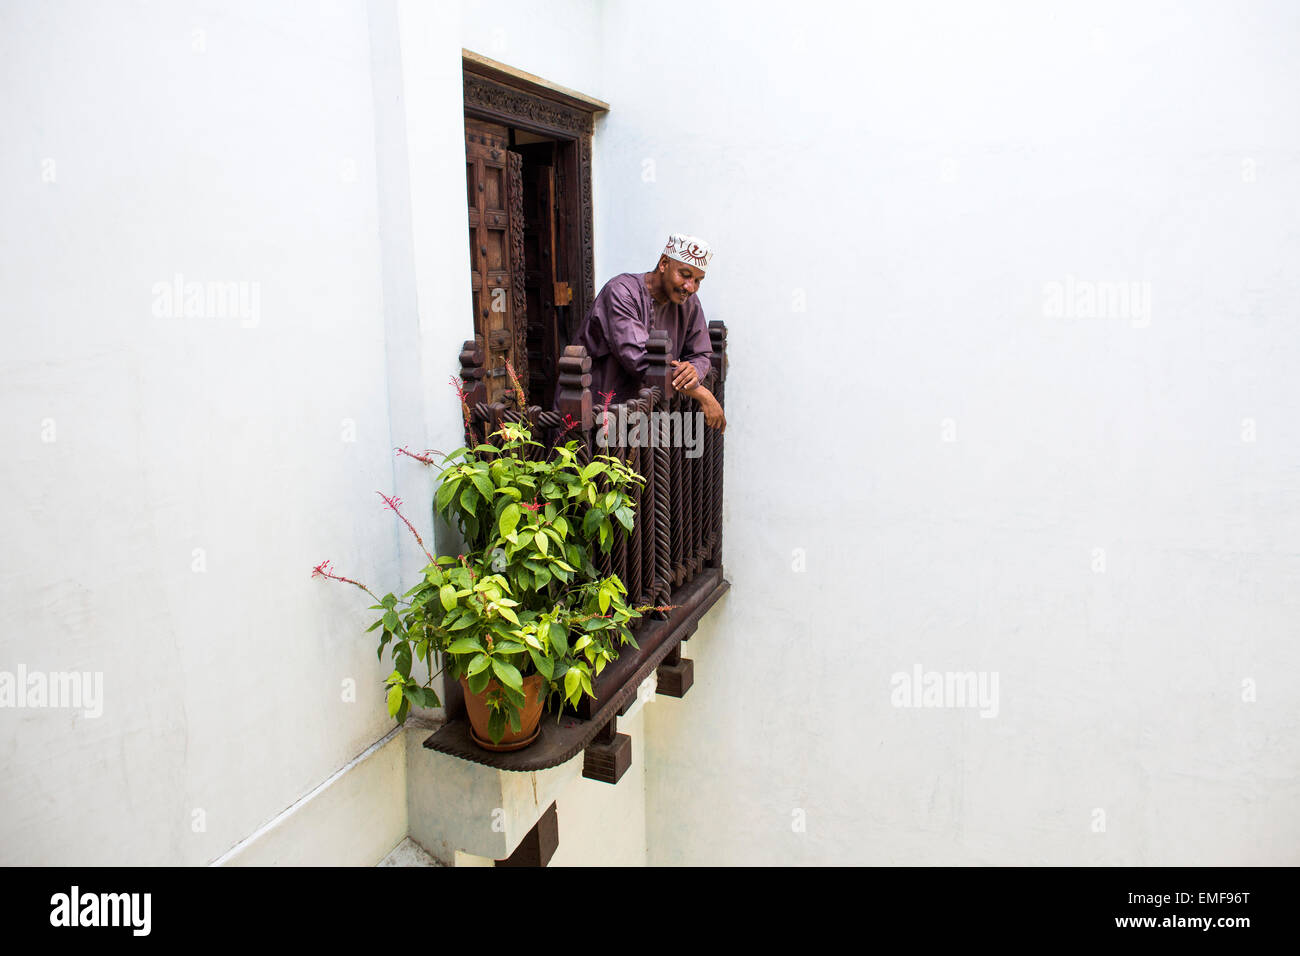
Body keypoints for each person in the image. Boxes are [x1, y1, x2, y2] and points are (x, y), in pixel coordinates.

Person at [565, 233, 726, 431]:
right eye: (685, 275)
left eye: (698, 280)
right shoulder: (621, 291)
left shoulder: (689, 303)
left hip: (644, 420)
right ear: (664, 263)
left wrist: (693, 370)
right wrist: (702, 393)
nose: (690, 287)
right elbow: (643, 361)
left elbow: (701, 354)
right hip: (597, 412)